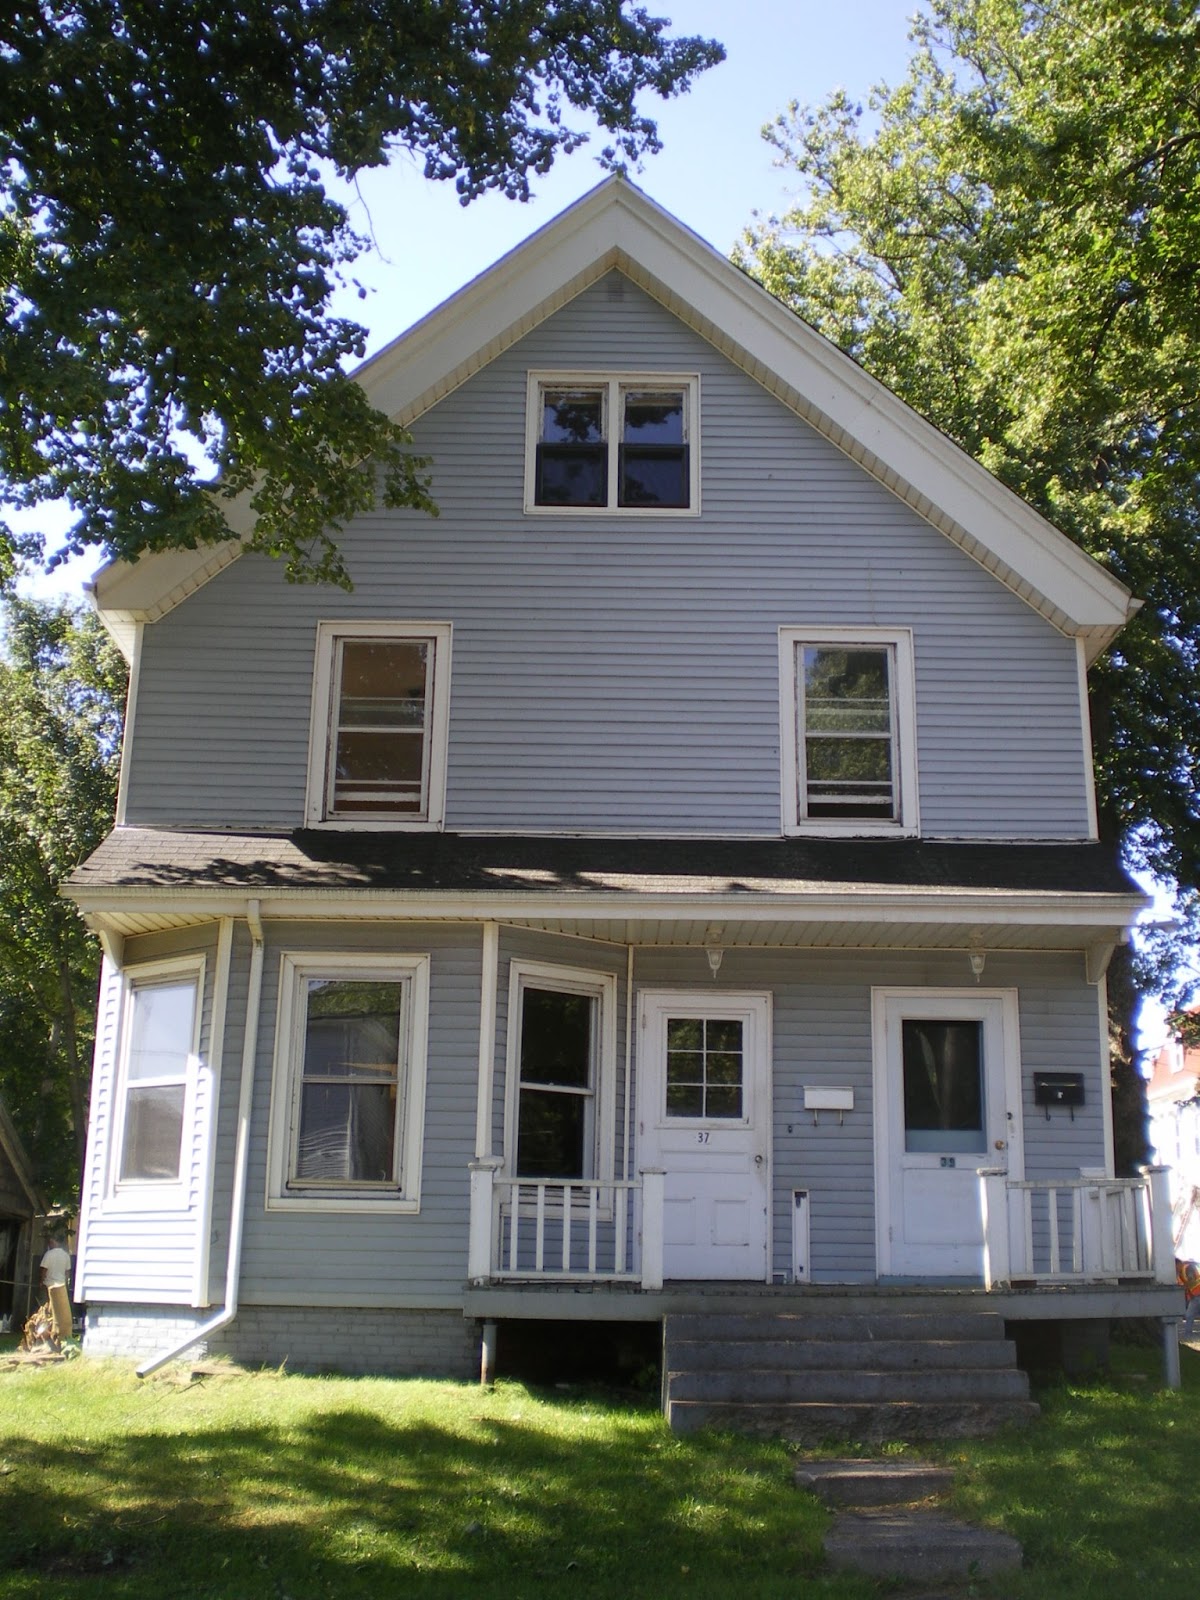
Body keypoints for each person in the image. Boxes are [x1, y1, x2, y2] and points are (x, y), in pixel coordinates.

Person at [40, 1231, 73, 1342]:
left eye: (50, 1242)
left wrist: (41, 1281)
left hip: (49, 1284)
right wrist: (66, 1283)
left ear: (54, 1242)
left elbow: (44, 1269)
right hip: (61, 1285)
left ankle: (48, 1329)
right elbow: (67, 1272)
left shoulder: (48, 1254)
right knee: (59, 1310)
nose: (49, 1244)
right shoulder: (66, 1255)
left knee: (48, 1308)